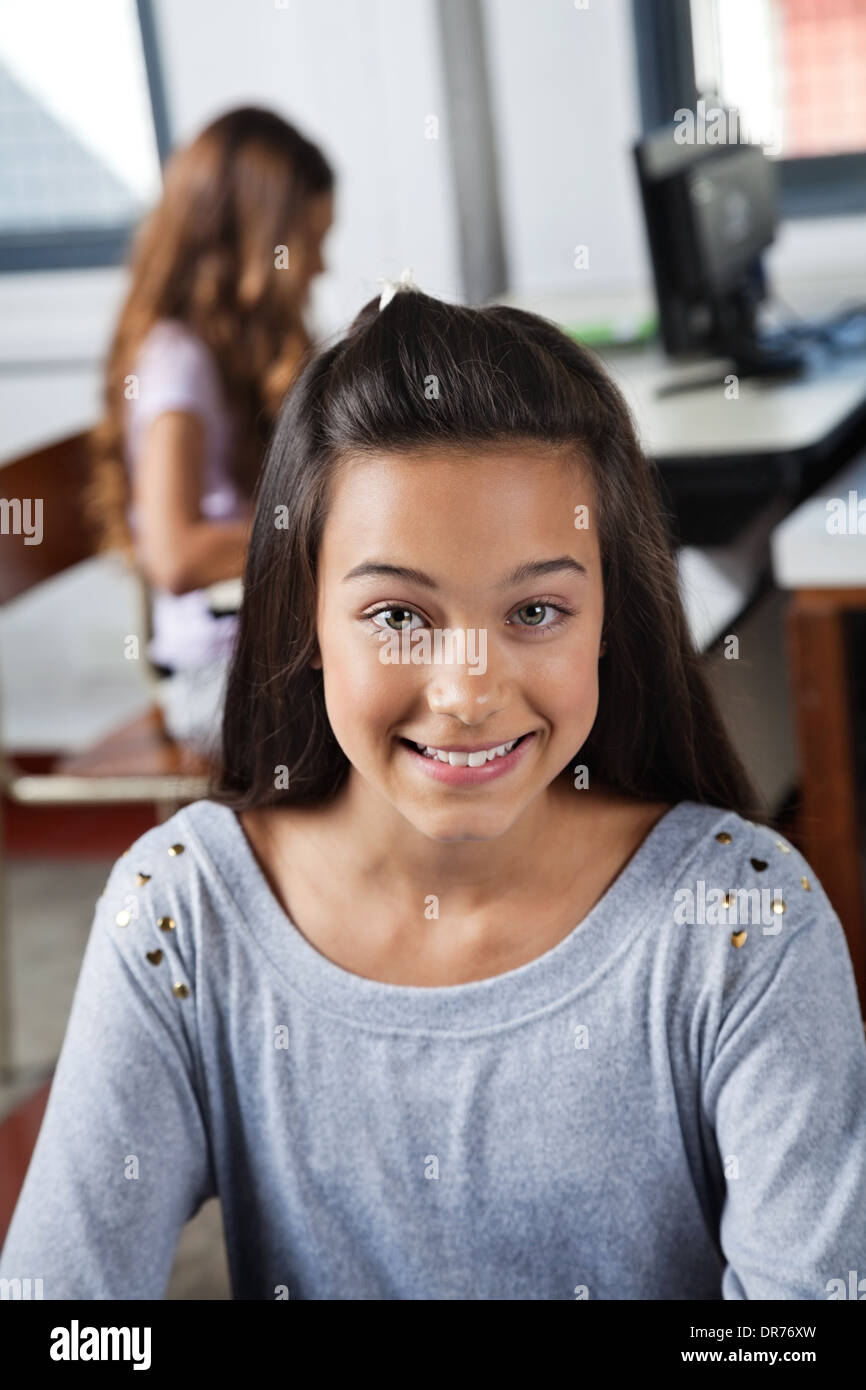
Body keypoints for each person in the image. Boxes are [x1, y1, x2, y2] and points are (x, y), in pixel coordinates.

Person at [3, 284, 865, 1299]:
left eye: (535, 608)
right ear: (303, 619)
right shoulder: (182, 916)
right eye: (397, 615)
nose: (466, 691)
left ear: (609, 621)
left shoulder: (743, 923)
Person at [86, 106, 334, 750]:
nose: (322, 267)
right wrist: (328, 526)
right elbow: (174, 555)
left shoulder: (240, 350)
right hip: (214, 675)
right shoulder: (177, 362)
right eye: (311, 243)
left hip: (267, 645)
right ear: (259, 243)